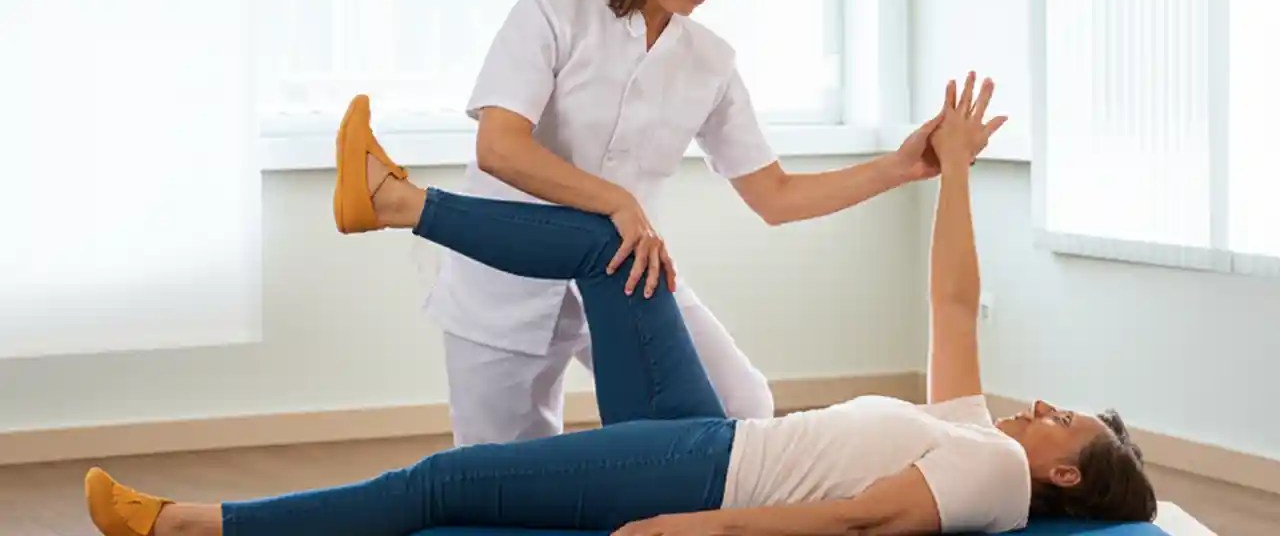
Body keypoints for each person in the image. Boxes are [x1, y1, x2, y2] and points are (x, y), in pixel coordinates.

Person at [85, 78, 1157, 536]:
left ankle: (189, 526)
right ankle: (394, 200)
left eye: (1069, 420)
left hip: (697, 472)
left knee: (438, 485)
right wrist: (951, 165)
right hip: (708, 435)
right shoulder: (973, 434)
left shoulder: (991, 475)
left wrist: (703, 528)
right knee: (617, 241)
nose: (1046, 403)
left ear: (1064, 470)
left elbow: (854, 520)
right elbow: (954, 300)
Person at [426, 0, 957, 448]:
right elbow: (499, 147)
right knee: (495, 474)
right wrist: (617, 202)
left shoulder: (709, 61)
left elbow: (775, 196)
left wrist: (898, 168)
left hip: (625, 275)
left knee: (743, 404)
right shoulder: (551, 14)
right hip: (505, 282)